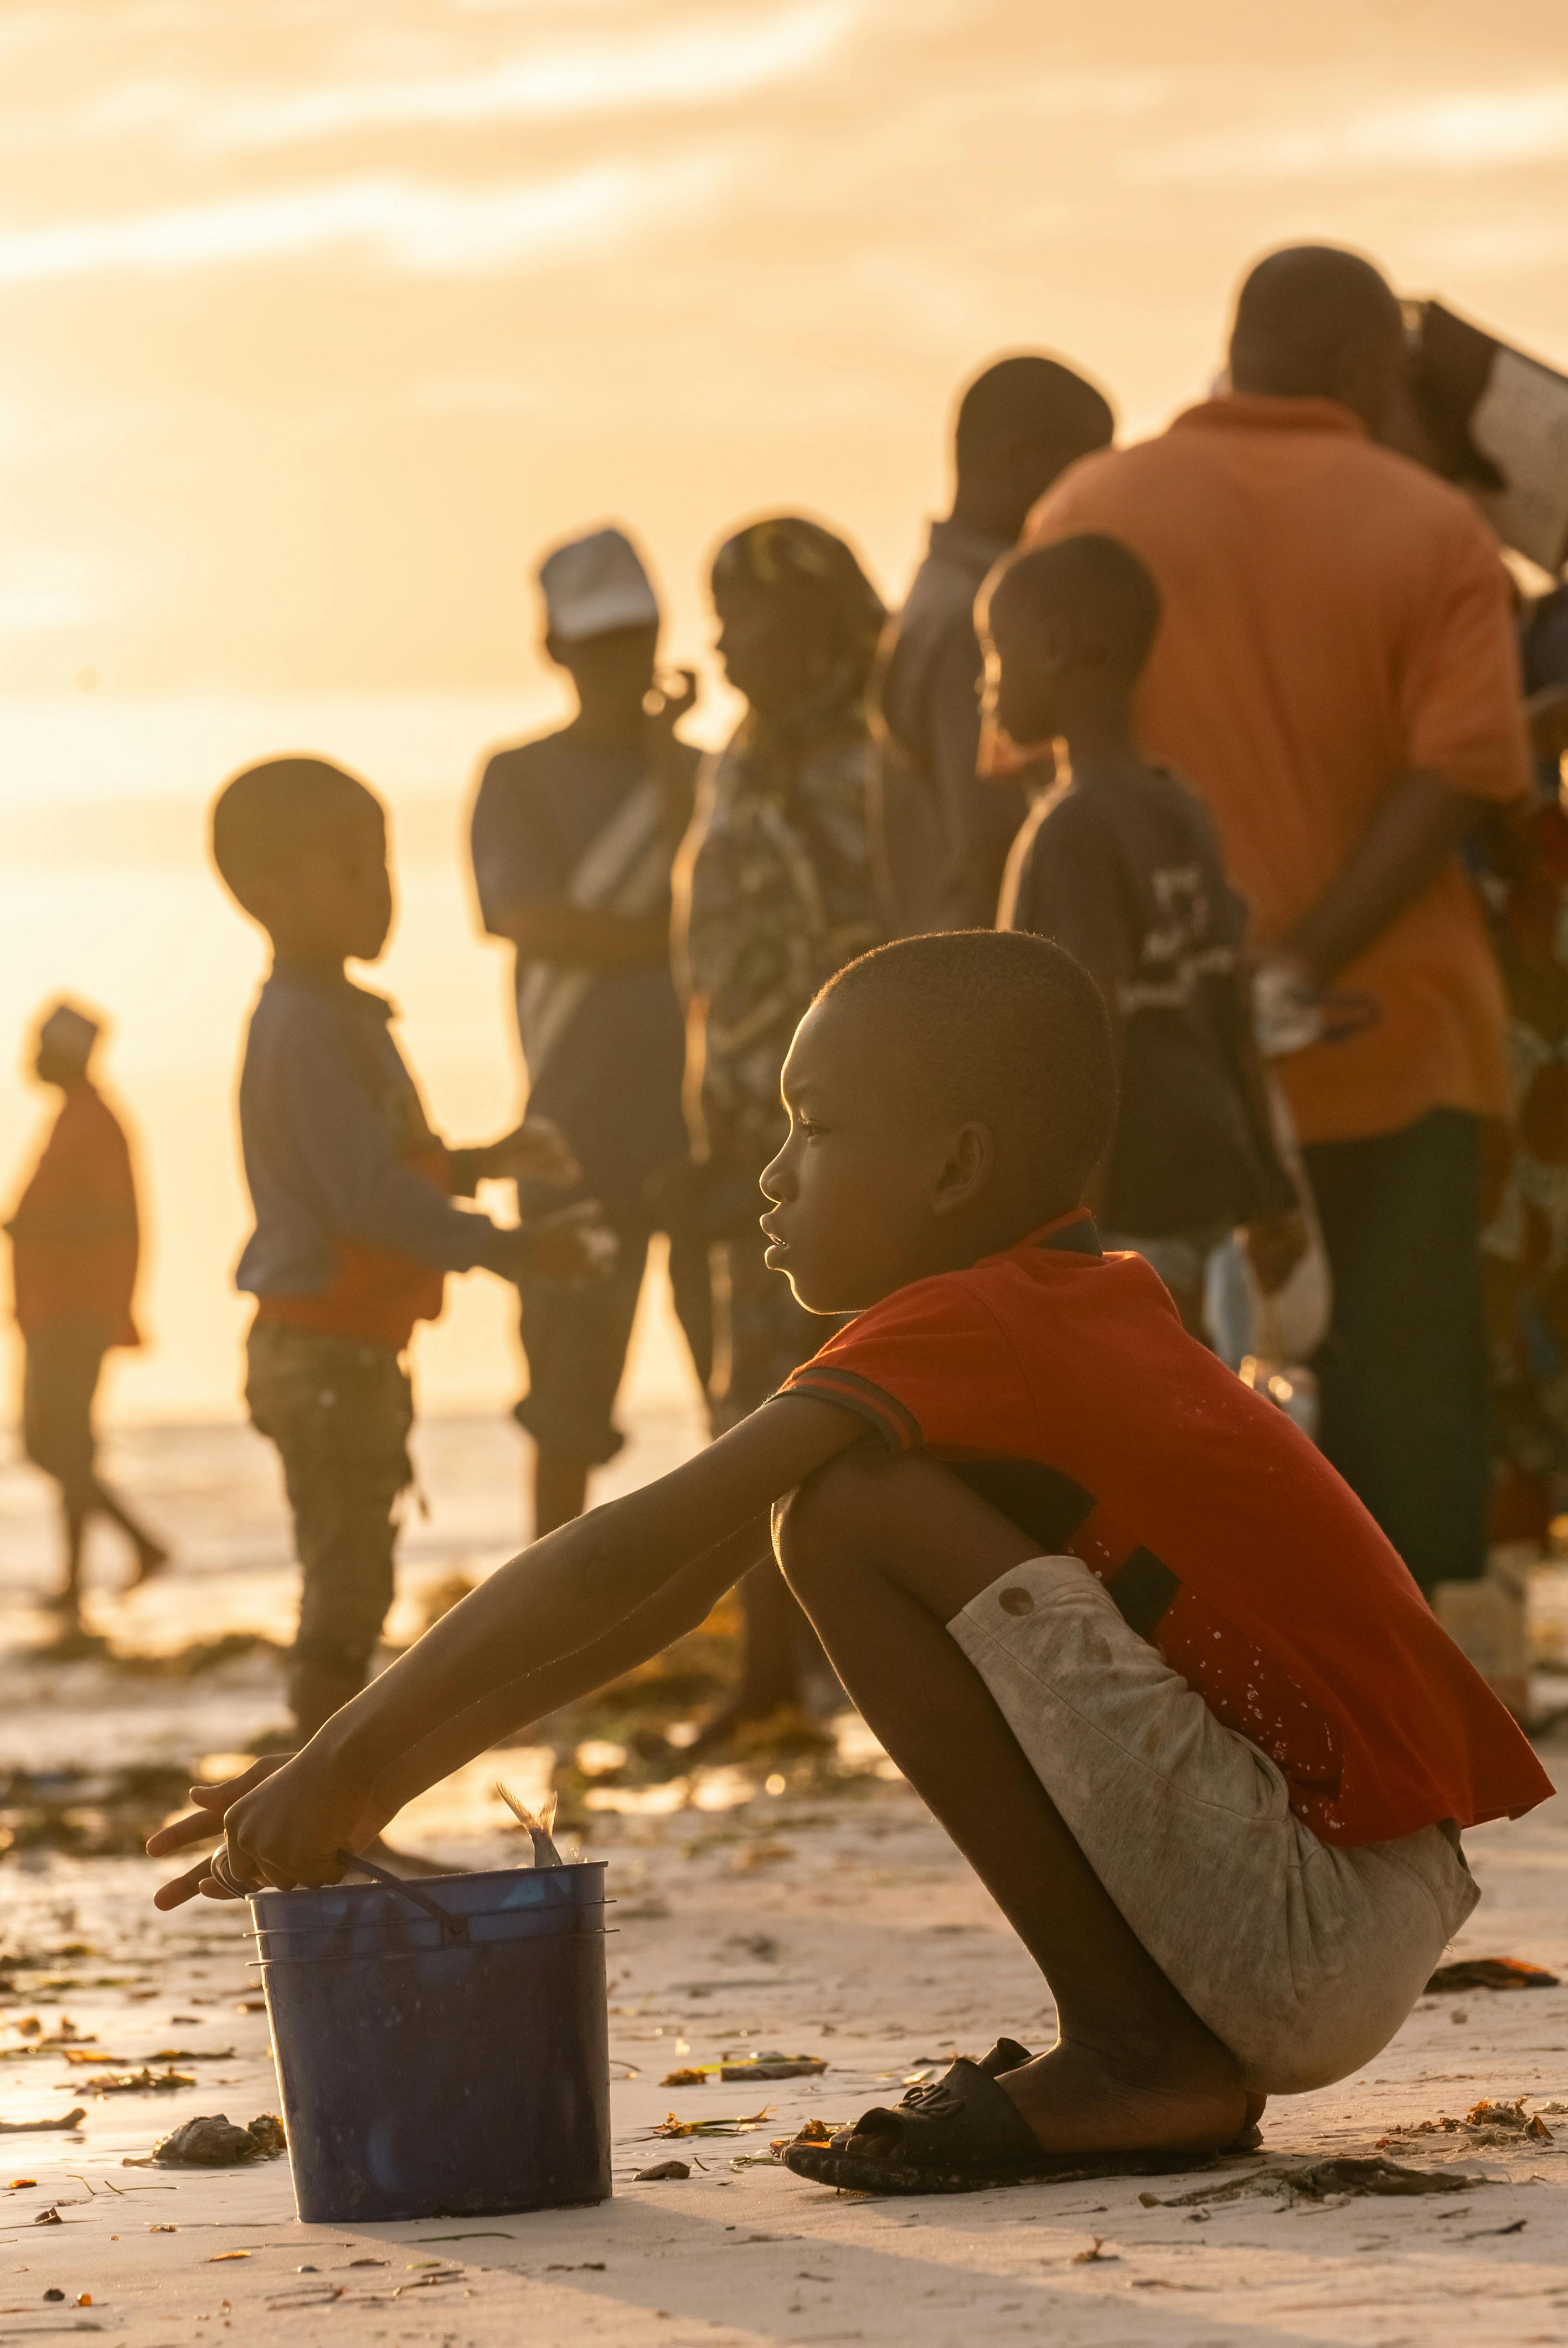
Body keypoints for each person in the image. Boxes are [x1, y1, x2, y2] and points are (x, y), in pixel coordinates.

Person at [151, 931, 1549, 2192]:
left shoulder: (980, 1318)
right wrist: (365, 1778)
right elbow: (662, 1586)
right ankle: (1146, 2043)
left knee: (844, 1519)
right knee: (835, 1509)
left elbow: (621, 1548)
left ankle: (1136, 2051)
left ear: (953, 1166)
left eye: (813, 1128)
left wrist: (339, 1758)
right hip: (1344, 1896)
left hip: (1305, 1910)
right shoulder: (1049, 1302)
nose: (771, 1173)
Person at [1024, 244, 1533, 1603]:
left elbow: (1020, 779)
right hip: (1398, 1034)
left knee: (1163, 1401)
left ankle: (1211, 1691)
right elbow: (1463, 768)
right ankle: (1423, 1715)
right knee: (1406, 1377)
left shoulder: (1087, 506)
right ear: (1366, 369)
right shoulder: (1431, 526)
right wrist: (1302, 957)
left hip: (1152, 1068)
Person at [212, 755, 607, 1744]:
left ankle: (330, 1805)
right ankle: (318, 1810)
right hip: (324, 1355)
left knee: (357, 1578)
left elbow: (383, 1164)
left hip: (350, 1348)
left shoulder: (340, 1017)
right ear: (264, 894)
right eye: (347, 870)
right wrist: (511, 1251)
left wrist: (482, 1159)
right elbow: (365, 1196)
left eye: (382, 864)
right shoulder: (304, 1027)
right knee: (345, 1591)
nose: (379, 890)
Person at [672, 514, 885, 1741]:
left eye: (741, 612)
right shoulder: (739, 755)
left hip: (874, 1127)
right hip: (750, 1128)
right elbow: (708, 954)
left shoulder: (884, 744)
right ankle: (766, 1674)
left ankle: (887, 1670)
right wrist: (709, 1125)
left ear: (809, 615)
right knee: (751, 1396)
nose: (724, 640)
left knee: (890, 1392)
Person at [989, 535, 1304, 1336]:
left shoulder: (1071, 829)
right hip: (1211, 1172)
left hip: (1130, 1193)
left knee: (1115, 1427)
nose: (988, 685)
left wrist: (1070, 1236)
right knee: (1192, 1410)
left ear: (1058, 649)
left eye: (996, 655)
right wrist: (1272, 1186)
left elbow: (1090, 1034)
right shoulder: (1179, 808)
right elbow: (1231, 1005)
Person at [471, 527, 711, 1538]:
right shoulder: (517, 777)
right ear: (556, 649)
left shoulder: (700, 774)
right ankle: (543, 1660)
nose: (620, 662)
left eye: (634, 639)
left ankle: (776, 1650)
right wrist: (664, 936)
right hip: (574, 1130)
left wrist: (665, 758)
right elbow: (528, 920)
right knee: (565, 1405)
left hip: (707, 1127)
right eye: (599, 643)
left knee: (743, 1393)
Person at [873, 354, 1115, 934]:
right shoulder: (971, 619)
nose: (1096, 492)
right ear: (1015, 459)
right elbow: (993, 847)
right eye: (1086, 467)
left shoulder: (943, 597)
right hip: (982, 976)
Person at [4, 1001, 167, 1618]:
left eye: (39, 1048)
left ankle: (135, 1547)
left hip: (74, 1314)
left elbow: (110, 1217)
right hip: (52, 1311)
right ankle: (82, 1574)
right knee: (63, 1444)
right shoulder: (73, 1119)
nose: (29, 1059)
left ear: (64, 1056)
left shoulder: (93, 1123)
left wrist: (31, 1223)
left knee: (57, 1445)